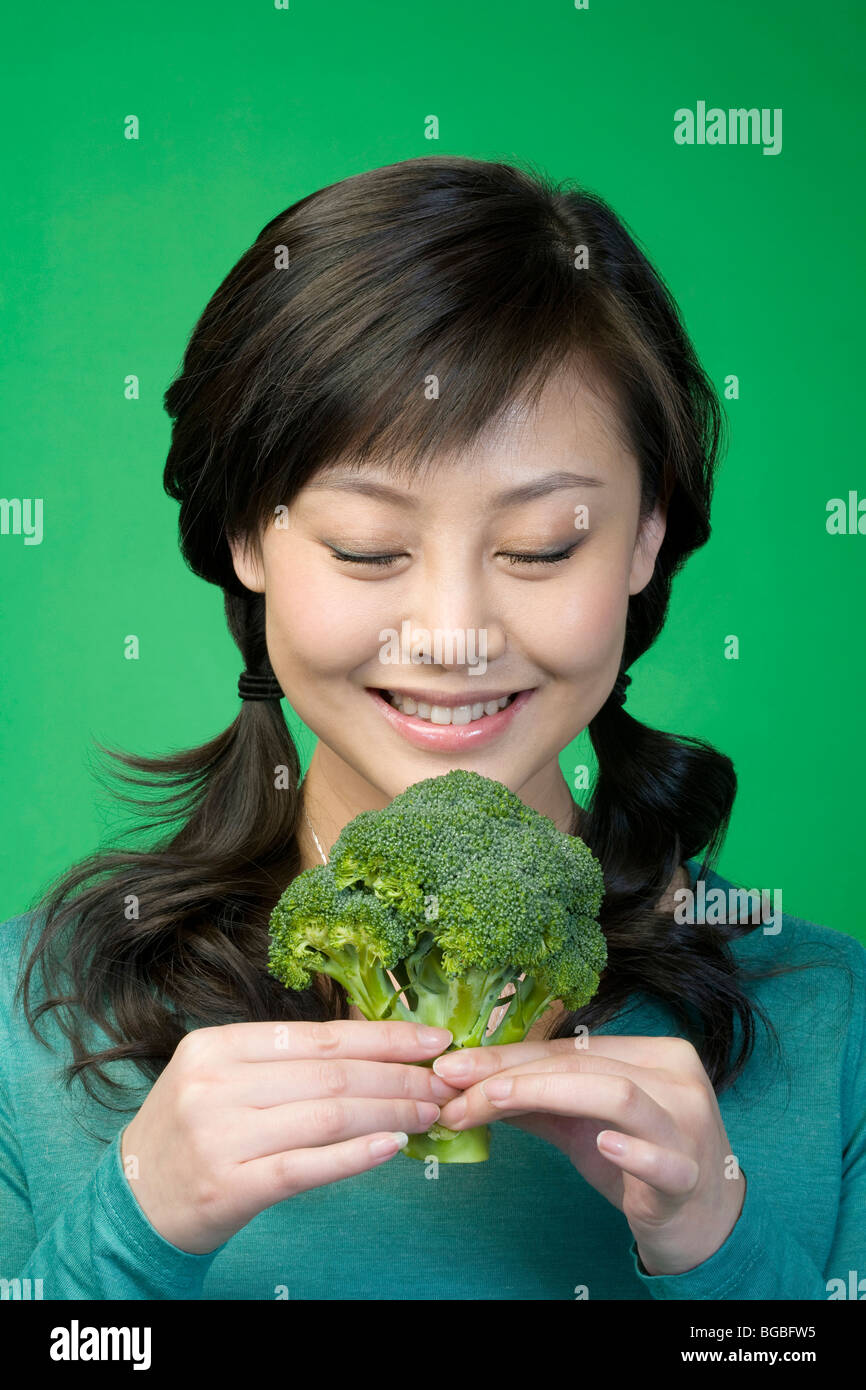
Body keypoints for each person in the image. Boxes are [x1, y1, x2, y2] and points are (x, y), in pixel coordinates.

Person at [1, 155, 863, 1300]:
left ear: (646, 537)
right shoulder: (30, 1017)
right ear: (247, 543)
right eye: (366, 548)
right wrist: (130, 1226)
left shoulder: (828, 1021)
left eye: (542, 547)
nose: (453, 635)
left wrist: (715, 1246)